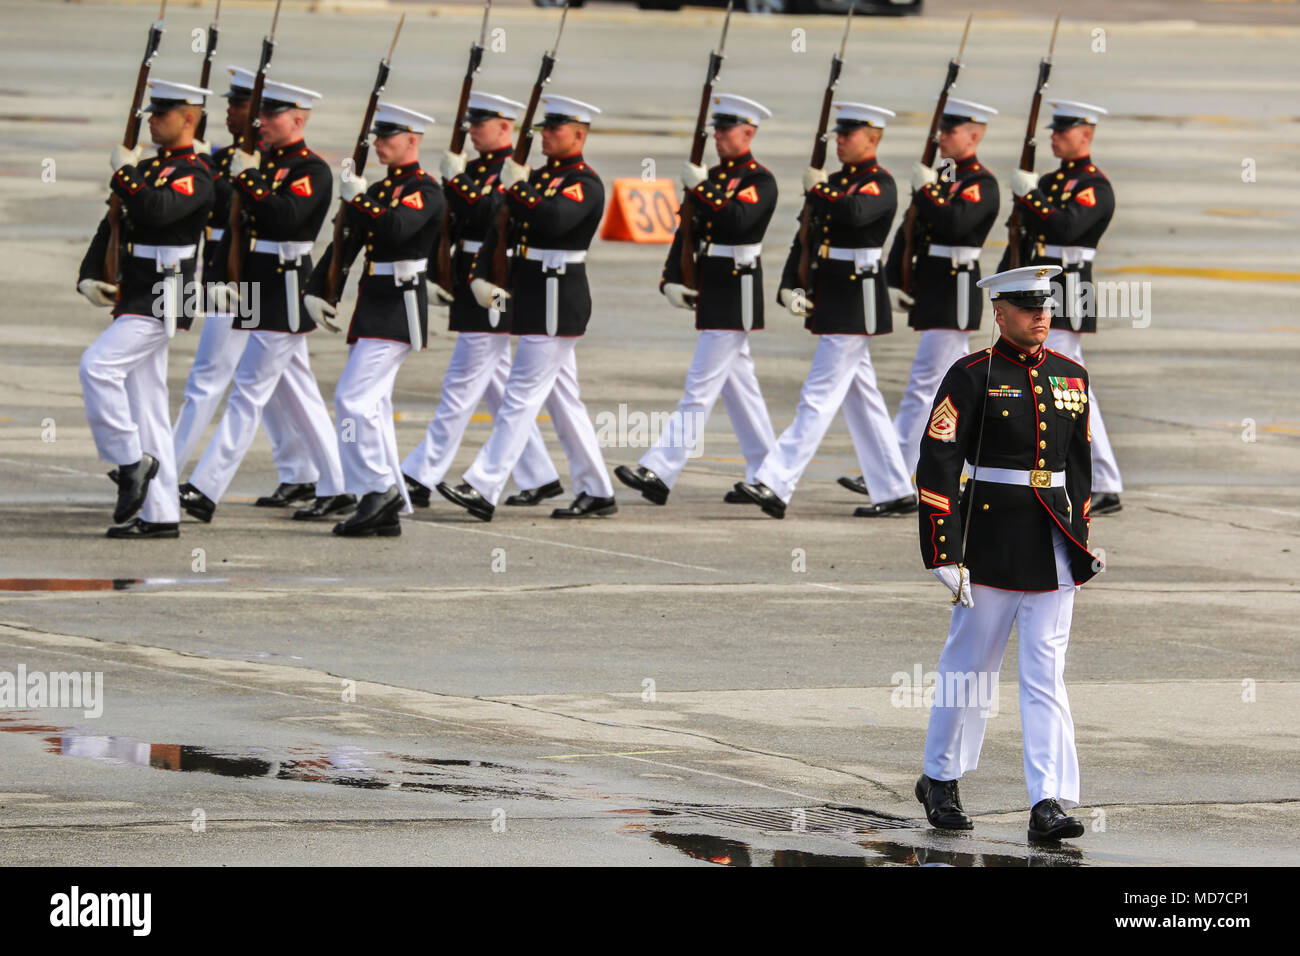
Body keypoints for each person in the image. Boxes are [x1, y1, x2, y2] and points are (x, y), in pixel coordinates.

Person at [912, 264, 1101, 844]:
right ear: (999, 312)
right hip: (989, 541)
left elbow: (1080, 470)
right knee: (968, 669)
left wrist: (1080, 538)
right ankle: (940, 779)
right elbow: (938, 461)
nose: (1040, 314)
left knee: (1046, 676)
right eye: (1026, 306)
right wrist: (943, 550)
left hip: (1052, 546)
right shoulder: (971, 374)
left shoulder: (1072, 375)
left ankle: (1048, 800)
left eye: (1045, 305)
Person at [437, 93, 615, 522]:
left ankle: (484, 485)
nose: (545, 136)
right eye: (544, 129)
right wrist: (482, 275)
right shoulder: (538, 177)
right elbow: (502, 225)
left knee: (519, 395)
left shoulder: (583, 183)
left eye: (555, 129)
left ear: (579, 135)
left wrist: (517, 187)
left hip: (559, 297)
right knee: (563, 401)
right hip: (534, 294)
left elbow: (553, 220)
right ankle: (597, 489)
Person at [181, 79, 352, 524]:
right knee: (297, 393)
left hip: (286, 288)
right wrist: (219, 281)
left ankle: (204, 488)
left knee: (248, 393)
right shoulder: (258, 163)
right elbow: (233, 232)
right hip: (254, 285)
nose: (262, 122)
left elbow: (286, 218)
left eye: (272, 115)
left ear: (298, 119)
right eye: (261, 114)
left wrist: (250, 178)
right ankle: (339, 484)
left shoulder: (311, 170)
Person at [736, 102, 914, 520]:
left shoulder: (879, 184)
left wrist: (819, 190)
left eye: (847, 135)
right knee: (861, 398)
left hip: (857, 301)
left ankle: (775, 481)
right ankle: (894, 489)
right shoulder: (832, 183)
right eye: (837, 135)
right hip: (834, 298)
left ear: (872, 139)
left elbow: (853, 215)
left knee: (818, 396)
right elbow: (806, 238)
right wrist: (788, 287)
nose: (839, 142)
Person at [614, 93, 777, 508]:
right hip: (712, 286)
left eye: (727, 130)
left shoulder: (759, 181)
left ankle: (660, 469)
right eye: (716, 130)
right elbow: (688, 232)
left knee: (700, 388)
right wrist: (670, 277)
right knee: (741, 390)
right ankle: (769, 474)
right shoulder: (713, 180)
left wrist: (701, 187)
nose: (719, 137)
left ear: (749, 132)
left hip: (736, 289)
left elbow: (737, 222)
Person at [401, 91, 561, 511]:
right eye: (469, 123)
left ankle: (421, 472)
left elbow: (495, 213)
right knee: (494, 383)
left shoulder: (515, 170)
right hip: (470, 276)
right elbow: (449, 225)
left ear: (506, 128)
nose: (471, 130)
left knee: (461, 384)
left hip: (495, 281)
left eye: (480, 124)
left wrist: (457, 184)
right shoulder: (472, 168)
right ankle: (539, 474)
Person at [77, 79, 215, 538]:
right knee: (148, 402)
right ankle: (160, 514)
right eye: (151, 112)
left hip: (167, 292)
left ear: (189, 118)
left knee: (97, 367)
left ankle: (132, 461)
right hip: (137, 288)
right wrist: (91, 273)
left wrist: (126, 175)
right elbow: (111, 220)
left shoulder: (197, 173)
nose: (152, 119)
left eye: (162, 113)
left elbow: (156, 211)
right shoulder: (151, 167)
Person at [302, 102, 445, 537]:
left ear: (413, 141)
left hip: (398, 309)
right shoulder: (379, 192)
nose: (380, 144)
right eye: (377, 137)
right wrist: (318, 289)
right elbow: (347, 241)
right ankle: (385, 499)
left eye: (389, 137)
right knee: (374, 409)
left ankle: (374, 488)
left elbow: (395, 231)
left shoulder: (426, 190)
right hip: (373, 307)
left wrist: (358, 200)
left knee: (351, 402)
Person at [1005, 99, 1122, 514]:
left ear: (1086, 135)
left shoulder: (1095, 187)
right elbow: (1023, 235)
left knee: (1069, 385)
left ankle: (1103, 479)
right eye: (1053, 130)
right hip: (1042, 286)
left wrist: (1030, 196)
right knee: (1069, 387)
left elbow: (1065, 226)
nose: (1054, 136)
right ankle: (1102, 478)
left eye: (1063, 131)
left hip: (1070, 289)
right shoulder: (1053, 181)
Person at [879, 97, 1001, 484]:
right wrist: (894, 279)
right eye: (942, 129)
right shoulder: (942, 179)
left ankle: (892, 470)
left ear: (974, 135)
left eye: (951, 130)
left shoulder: (981, 183)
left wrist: (929, 191)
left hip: (955, 290)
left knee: (924, 383)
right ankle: (980, 461)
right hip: (934, 288)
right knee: (965, 388)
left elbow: (956, 224)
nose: (942, 136)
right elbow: (910, 229)